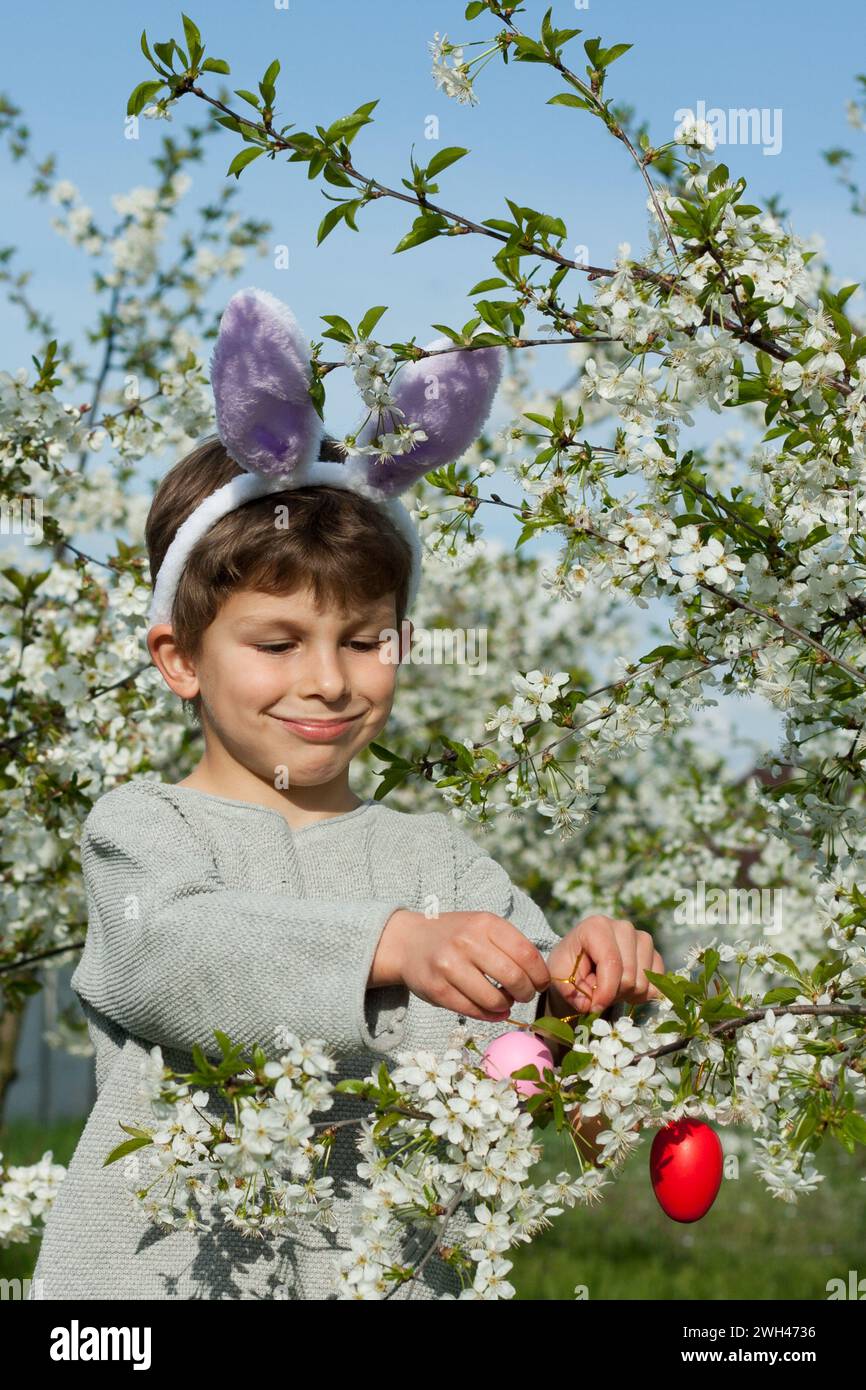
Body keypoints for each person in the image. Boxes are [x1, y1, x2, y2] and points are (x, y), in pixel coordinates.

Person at [30, 288, 663, 1301]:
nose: (327, 679)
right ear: (178, 656)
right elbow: (181, 958)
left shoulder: (441, 862)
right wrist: (394, 945)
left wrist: (582, 990)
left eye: (365, 640)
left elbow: (532, 1064)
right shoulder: (146, 832)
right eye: (277, 642)